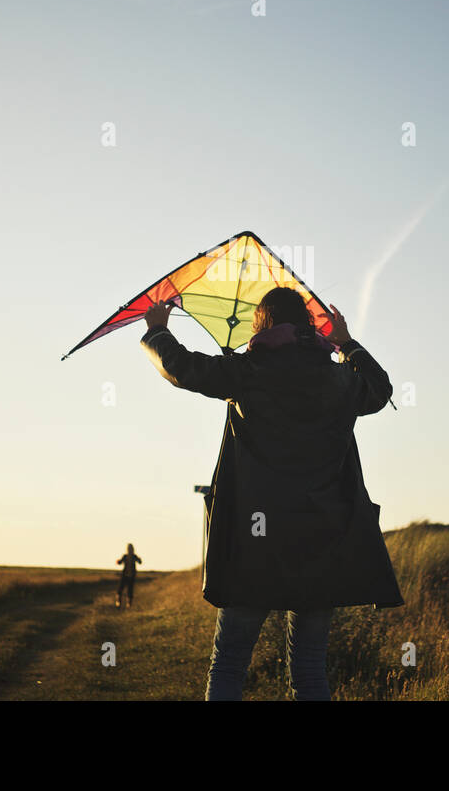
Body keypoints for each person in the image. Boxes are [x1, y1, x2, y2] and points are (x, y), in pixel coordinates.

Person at [141, 286, 402, 700]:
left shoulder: (246, 372)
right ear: (308, 326)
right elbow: (381, 387)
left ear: (260, 324)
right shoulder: (338, 379)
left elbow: (182, 368)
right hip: (323, 542)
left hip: (253, 543)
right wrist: (347, 342)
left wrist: (157, 332)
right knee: (311, 670)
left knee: (228, 663)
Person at [116, 543, 142, 608]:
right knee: (120, 589)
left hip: (131, 576)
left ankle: (129, 605)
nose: (130, 550)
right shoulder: (125, 556)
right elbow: (120, 562)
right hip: (124, 575)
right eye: (129, 548)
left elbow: (140, 562)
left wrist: (139, 559)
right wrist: (118, 561)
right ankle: (118, 602)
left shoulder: (134, 556)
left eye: (130, 548)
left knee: (130, 591)